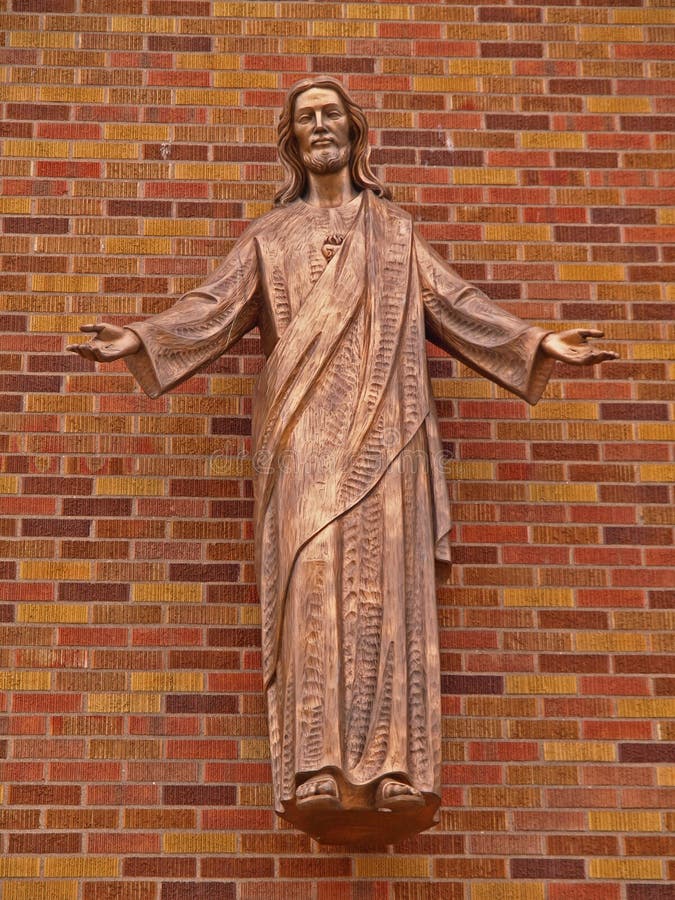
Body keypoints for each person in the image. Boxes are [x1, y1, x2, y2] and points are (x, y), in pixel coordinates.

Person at [69, 76, 617, 843]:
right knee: (314, 594)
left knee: (387, 598)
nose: (319, 127)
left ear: (353, 133)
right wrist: (144, 337)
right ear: (291, 141)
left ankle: (397, 768)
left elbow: (455, 305)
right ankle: (314, 762)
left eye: (330, 115)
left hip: (386, 439)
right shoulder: (270, 237)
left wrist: (534, 343)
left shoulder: (393, 231)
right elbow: (213, 307)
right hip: (303, 444)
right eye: (305, 119)